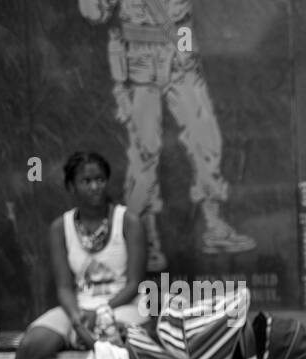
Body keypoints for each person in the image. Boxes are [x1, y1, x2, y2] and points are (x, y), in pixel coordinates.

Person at [0, 151, 147, 359]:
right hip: (78, 306)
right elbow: (63, 285)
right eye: (85, 180)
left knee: (121, 345)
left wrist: (103, 312)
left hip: (121, 303)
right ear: (71, 186)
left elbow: (135, 282)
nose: (94, 186)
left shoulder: (127, 221)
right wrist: (77, 320)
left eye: (99, 179)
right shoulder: (59, 227)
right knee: (31, 345)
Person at [78, 0, 255, 270]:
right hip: (138, 59)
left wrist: (185, 51)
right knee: (144, 152)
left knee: (206, 138)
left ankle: (214, 223)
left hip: (180, 51)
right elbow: (94, 13)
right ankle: (146, 240)